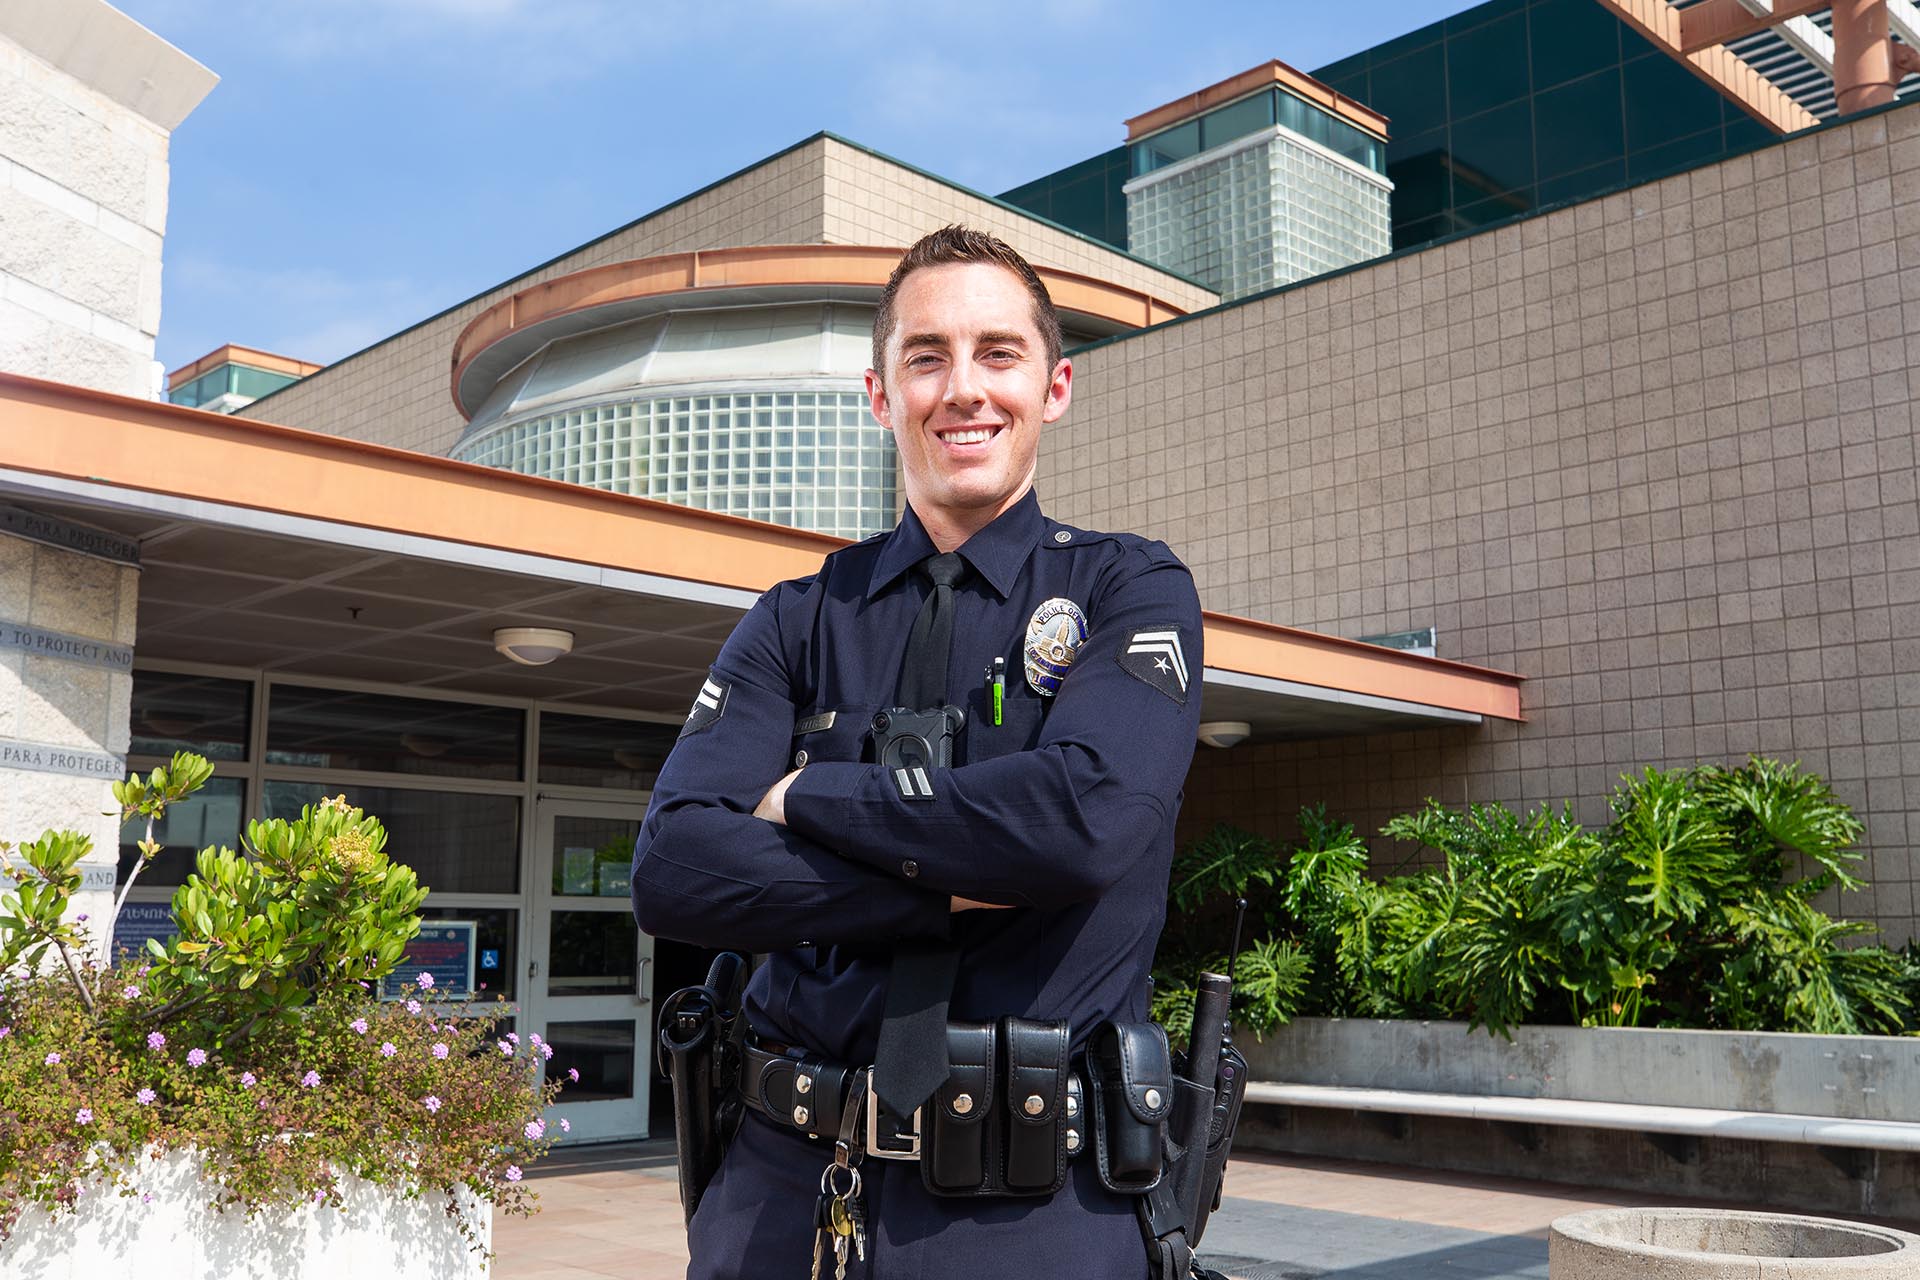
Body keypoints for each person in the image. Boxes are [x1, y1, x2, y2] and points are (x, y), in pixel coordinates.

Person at [632, 224, 1203, 1279]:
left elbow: (1080, 824)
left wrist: (808, 795)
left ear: (1056, 384)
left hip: (1036, 1210)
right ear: (881, 393)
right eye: (926, 356)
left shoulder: (1132, 589)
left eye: (998, 352)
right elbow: (674, 868)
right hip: (778, 1189)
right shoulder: (797, 618)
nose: (964, 389)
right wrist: (948, 887)